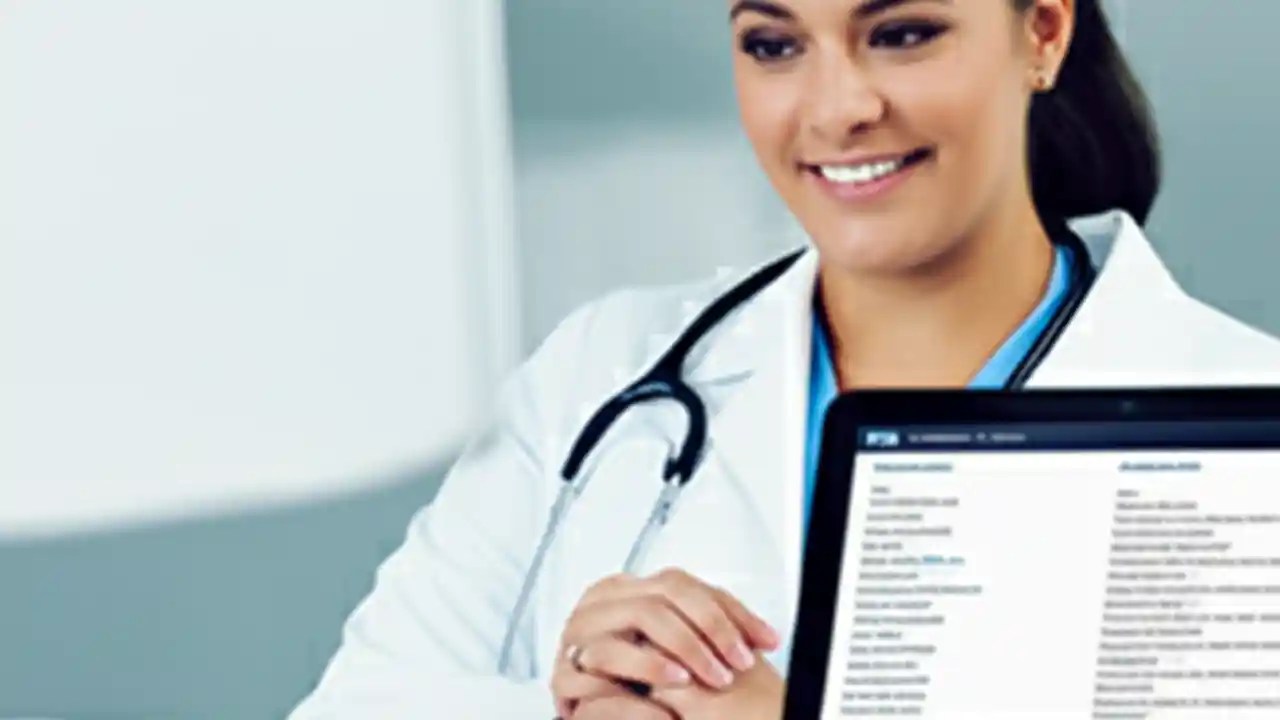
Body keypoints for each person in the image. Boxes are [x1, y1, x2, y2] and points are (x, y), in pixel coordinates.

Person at [290, 0, 1280, 718]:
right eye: (773, 45)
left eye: (899, 34)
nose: (834, 108)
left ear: (1042, 34)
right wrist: (571, 706)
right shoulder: (602, 370)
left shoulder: (1244, 413)